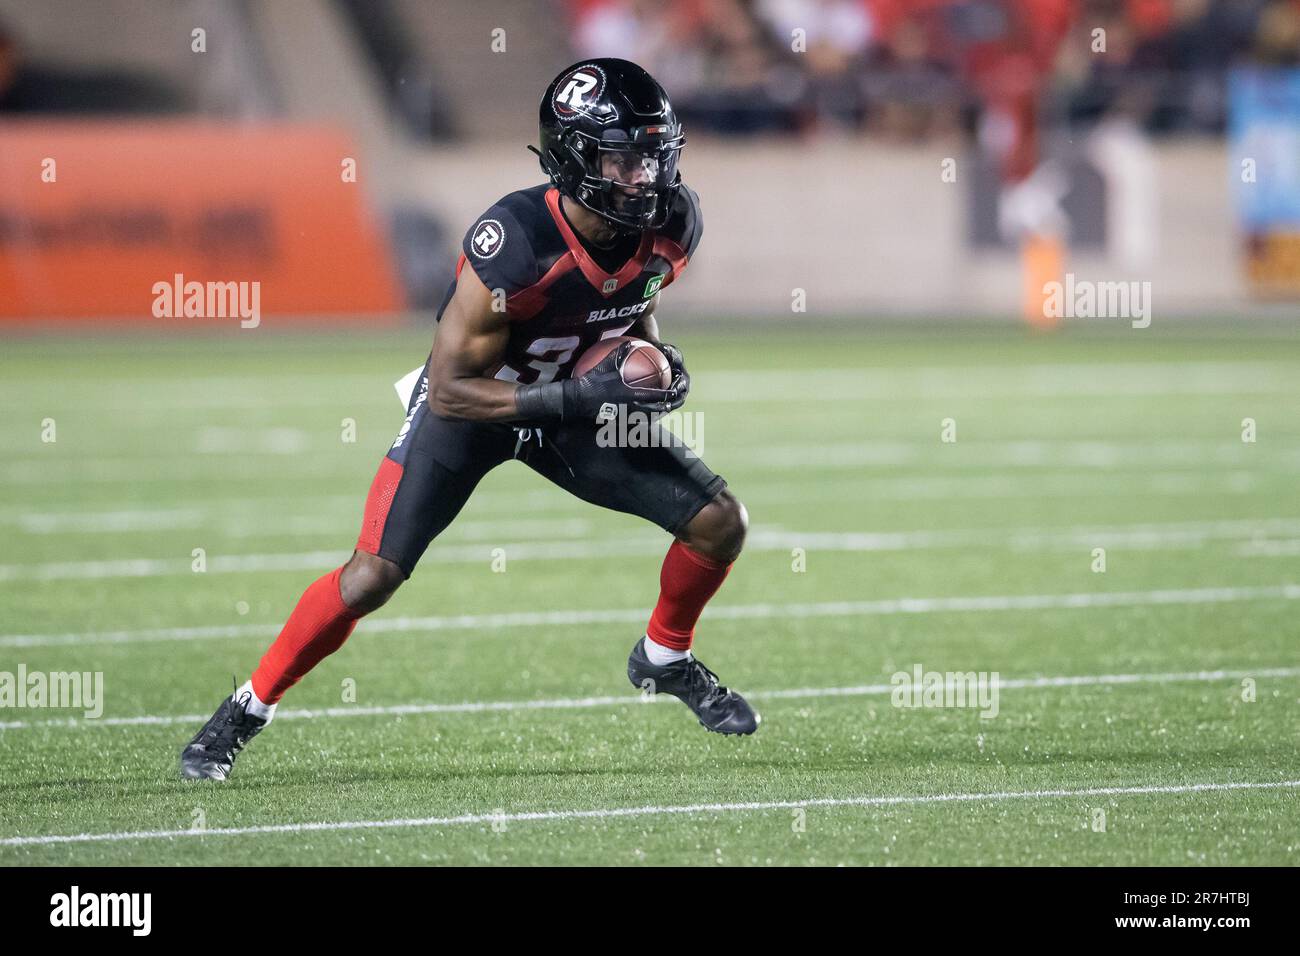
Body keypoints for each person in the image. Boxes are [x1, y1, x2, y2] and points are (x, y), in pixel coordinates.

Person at [180, 58, 759, 781]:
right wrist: (584, 396)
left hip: (574, 395)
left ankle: (664, 658)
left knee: (720, 522)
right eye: (625, 160)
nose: (646, 178)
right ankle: (245, 709)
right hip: (480, 407)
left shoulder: (674, 221)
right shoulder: (516, 242)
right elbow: (452, 389)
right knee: (373, 575)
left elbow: (632, 297)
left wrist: (648, 361)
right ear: (575, 158)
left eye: (654, 157)